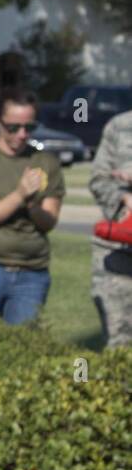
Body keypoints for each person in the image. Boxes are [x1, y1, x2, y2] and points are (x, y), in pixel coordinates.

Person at [0, 88, 64, 325]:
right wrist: (19, 195)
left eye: (29, 128)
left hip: (32, 273)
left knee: (22, 347)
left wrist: (32, 204)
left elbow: (49, 222)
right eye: (13, 127)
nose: (21, 134)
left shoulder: (45, 162)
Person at [89, 108, 132, 348]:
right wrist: (123, 199)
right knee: (120, 346)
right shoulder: (120, 126)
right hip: (119, 258)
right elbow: (99, 179)